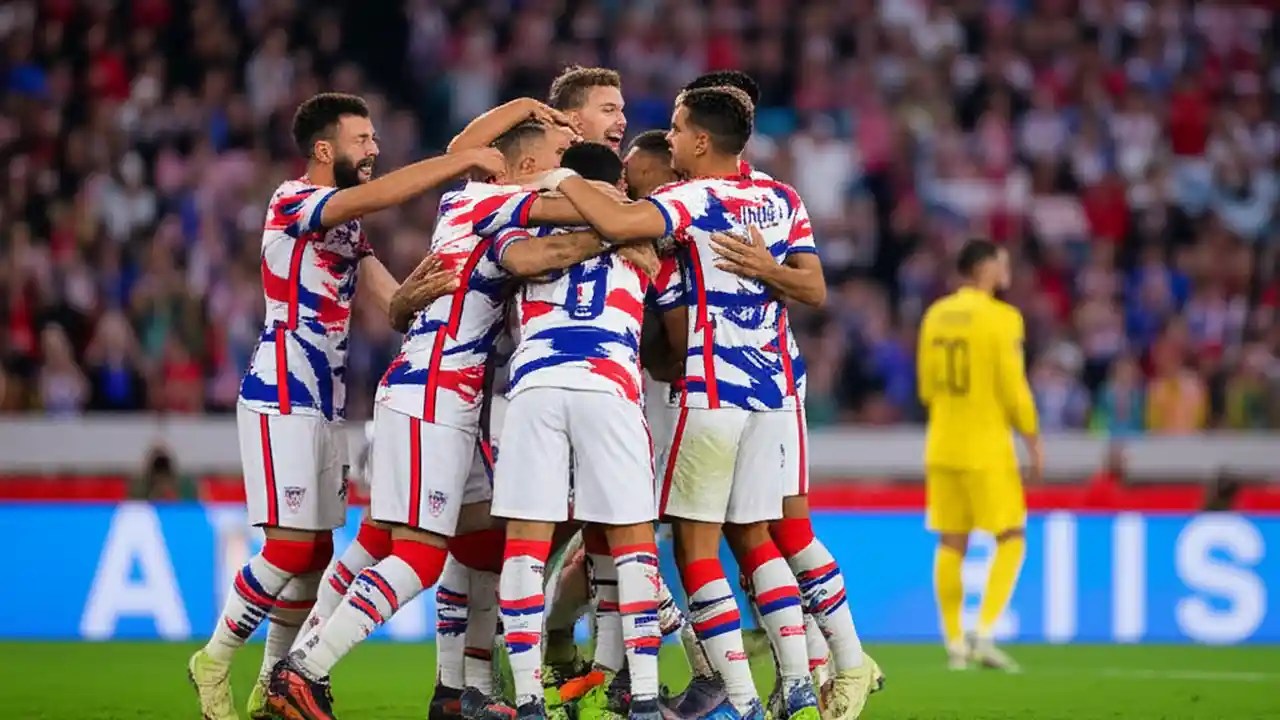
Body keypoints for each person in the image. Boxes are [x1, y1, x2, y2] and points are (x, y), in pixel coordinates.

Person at [264, 120, 612, 720]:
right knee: (421, 556)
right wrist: (621, 225)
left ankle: (462, 692)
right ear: (527, 168)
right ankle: (302, 670)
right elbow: (546, 249)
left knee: (484, 543)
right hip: (434, 396)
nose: (570, 167)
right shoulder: (505, 201)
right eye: (560, 156)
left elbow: (465, 155)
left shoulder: (465, 199)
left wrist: (530, 108)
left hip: (446, 400)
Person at [187, 92, 502, 720]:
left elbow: (392, 306)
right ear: (324, 149)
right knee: (289, 549)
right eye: (363, 140)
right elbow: (379, 196)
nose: (374, 149)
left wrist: (421, 291)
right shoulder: (293, 202)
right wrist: (459, 161)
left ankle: (273, 685)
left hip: (326, 402)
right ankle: (214, 659)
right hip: (281, 391)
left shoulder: (349, 231)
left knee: (319, 555)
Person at [538, 86, 820, 720]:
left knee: (696, 552)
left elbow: (615, 224)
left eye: (675, 127)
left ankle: (742, 699)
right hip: (773, 393)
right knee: (756, 538)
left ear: (699, 140)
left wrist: (558, 173)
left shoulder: (690, 198)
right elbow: (815, 286)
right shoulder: (782, 197)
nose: (668, 137)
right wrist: (767, 269)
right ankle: (800, 682)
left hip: (714, 390)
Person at [684, 70, 884, 720]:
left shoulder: (756, 198)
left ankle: (844, 665)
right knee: (748, 534)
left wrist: (764, 268)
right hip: (728, 385)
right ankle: (804, 671)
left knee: (781, 530)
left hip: (765, 382)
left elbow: (816, 289)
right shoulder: (707, 194)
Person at [469, 141, 663, 720]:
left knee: (526, 548)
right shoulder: (643, 239)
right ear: (617, 189)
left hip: (535, 388)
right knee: (634, 547)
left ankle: (529, 699)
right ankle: (646, 697)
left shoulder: (515, 232)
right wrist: (616, 230)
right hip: (609, 386)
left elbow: (518, 265)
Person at [917, 239, 1043, 672]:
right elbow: (1014, 388)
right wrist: (1033, 440)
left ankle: (954, 643)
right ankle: (985, 631)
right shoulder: (1002, 318)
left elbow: (926, 387)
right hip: (986, 446)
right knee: (1012, 536)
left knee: (952, 541)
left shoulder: (935, 315)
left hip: (942, 444)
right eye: (1003, 262)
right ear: (987, 268)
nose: (1007, 269)